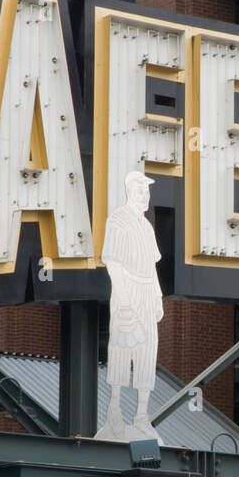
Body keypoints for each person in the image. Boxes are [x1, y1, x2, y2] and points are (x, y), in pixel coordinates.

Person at [96, 172, 163, 442]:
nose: (144, 195)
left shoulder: (147, 227)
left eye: (146, 191)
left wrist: (158, 297)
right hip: (127, 288)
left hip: (147, 289)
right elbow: (112, 262)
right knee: (122, 350)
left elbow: (152, 266)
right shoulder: (117, 220)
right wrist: (123, 300)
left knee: (148, 351)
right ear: (128, 192)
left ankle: (141, 416)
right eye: (139, 191)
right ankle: (114, 410)